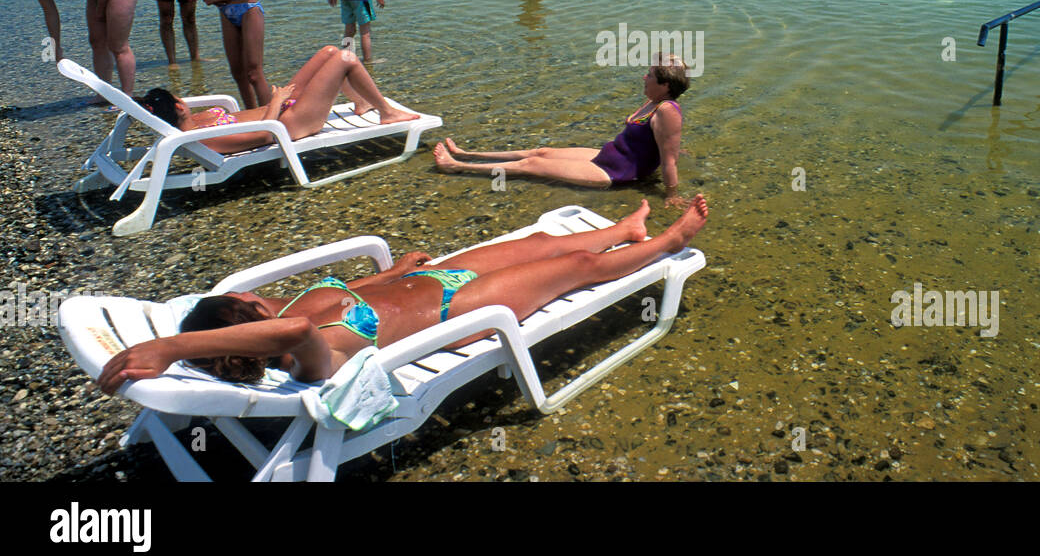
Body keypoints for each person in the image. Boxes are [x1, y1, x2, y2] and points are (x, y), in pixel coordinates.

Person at [94, 195, 709, 391]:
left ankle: (623, 230)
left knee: (547, 240)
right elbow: (297, 331)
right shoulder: (303, 356)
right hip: (459, 313)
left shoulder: (292, 308)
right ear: (247, 320)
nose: (269, 306)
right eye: (257, 308)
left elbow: (344, 288)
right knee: (574, 264)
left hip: (434, 279)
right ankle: (665, 244)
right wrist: (173, 348)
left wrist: (395, 272)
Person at [434, 58, 690, 208]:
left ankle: (456, 166)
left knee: (531, 164)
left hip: (614, 172)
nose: (644, 77)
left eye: (651, 75)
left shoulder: (667, 110)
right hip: (609, 155)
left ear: (665, 85)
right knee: (541, 151)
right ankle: (467, 153)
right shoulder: (654, 101)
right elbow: (664, 142)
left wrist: (672, 195)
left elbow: (669, 160)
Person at [137, 45, 418, 156]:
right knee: (346, 59)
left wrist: (280, 100)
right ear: (178, 106)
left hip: (283, 109)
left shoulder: (192, 123)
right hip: (291, 124)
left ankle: (361, 102)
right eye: (179, 98)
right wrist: (277, 100)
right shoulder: (204, 138)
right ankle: (386, 112)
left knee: (330, 51)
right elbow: (263, 135)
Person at [1, 0, 138, 93]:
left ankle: (127, 96)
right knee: (96, 41)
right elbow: (50, 11)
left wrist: (100, 9)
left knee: (118, 45)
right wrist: (56, 46)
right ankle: (104, 95)